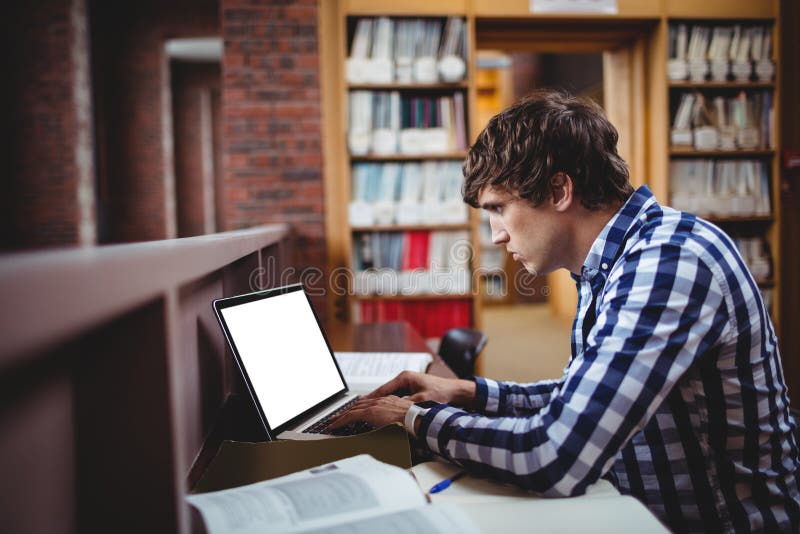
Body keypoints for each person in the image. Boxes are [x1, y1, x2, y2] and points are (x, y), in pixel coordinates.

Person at [330, 89, 800, 533]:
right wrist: (467, 393)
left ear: (559, 191)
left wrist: (411, 419)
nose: (495, 235)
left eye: (500, 208)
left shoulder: (670, 262)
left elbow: (556, 453)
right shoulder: (618, 261)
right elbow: (586, 395)